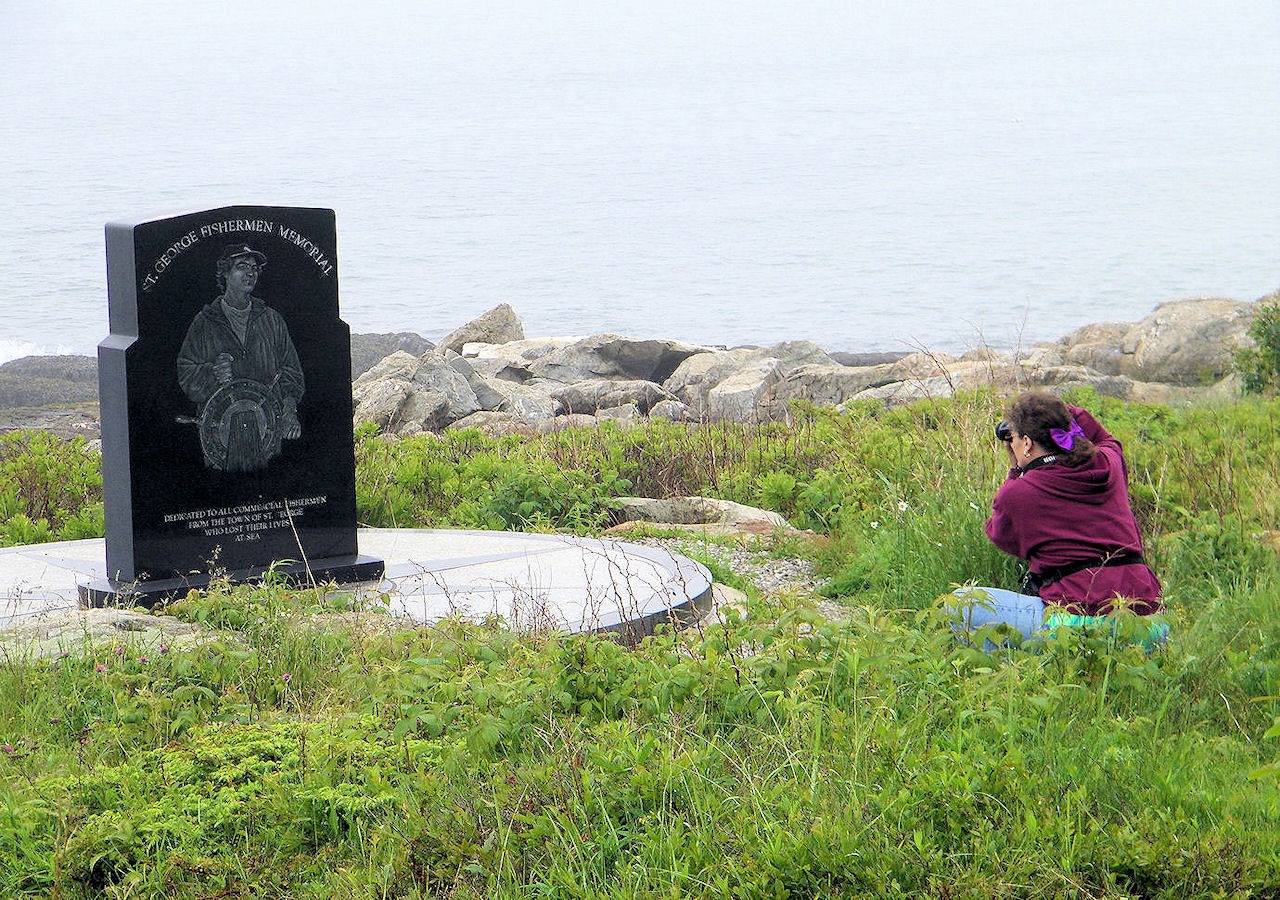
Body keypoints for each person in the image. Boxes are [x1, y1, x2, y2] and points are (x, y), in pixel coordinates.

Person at [955, 391, 1166, 647]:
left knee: (961, 605)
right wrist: (1052, 414)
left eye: (1015, 440)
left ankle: (1010, 679)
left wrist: (1016, 469)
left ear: (1027, 443)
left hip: (1080, 624)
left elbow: (999, 535)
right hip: (1150, 623)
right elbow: (1102, 436)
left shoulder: (1019, 492)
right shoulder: (1109, 463)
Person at [177, 243, 304, 472]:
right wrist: (212, 373)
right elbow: (186, 373)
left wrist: (289, 411)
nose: (250, 273)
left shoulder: (272, 320)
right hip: (219, 440)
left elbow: (291, 371)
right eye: (242, 266)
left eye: (254, 268)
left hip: (269, 434)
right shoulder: (204, 323)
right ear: (225, 273)